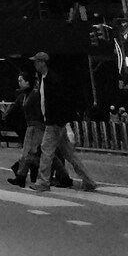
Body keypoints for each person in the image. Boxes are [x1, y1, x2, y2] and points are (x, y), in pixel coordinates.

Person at [30, 52, 98, 193]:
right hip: (55, 121)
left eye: (36, 62)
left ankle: (43, 182)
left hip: (54, 122)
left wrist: (56, 120)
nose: (35, 64)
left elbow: (59, 102)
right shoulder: (45, 78)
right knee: (69, 154)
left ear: (43, 62)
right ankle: (89, 181)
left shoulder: (52, 79)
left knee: (46, 151)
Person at [8, 71, 44, 187]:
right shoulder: (25, 95)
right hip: (30, 126)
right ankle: (23, 176)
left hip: (36, 126)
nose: (19, 83)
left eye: (21, 80)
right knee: (34, 153)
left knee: (30, 153)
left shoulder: (33, 95)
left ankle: (21, 176)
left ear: (28, 82)